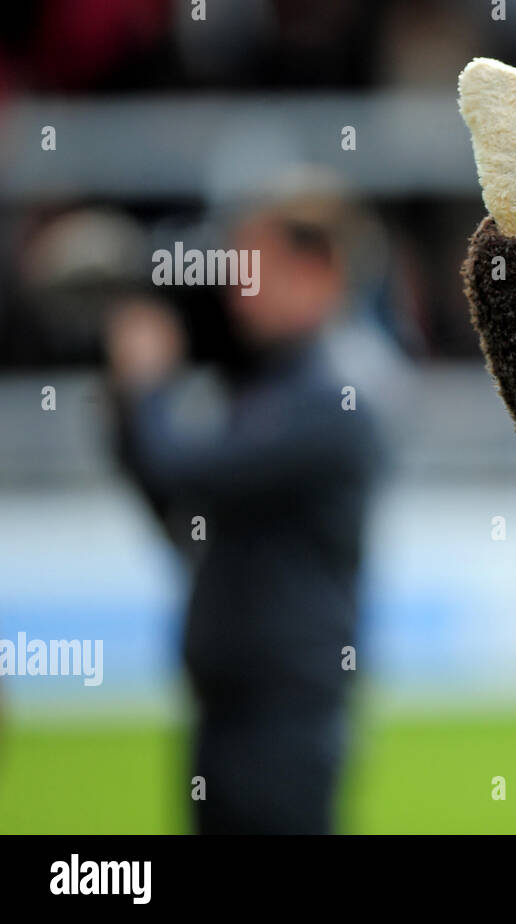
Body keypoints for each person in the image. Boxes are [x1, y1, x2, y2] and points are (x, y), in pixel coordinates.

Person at [107, 183, 380, 833]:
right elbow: (177, 503)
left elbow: (183, 468)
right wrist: (127, 399)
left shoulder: (330, 396)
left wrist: (145, 383)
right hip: (228, 702)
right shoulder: (264, 385)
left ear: (318, 275)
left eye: (257, 268)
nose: (237, 290)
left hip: (284, 712)